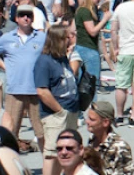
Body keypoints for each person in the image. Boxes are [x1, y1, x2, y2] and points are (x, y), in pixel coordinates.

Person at [0, 7, 43, 154]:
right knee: (10, 131)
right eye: (22, 15)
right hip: (15, 90)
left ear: (32, 18)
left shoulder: (41, 37)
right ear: (16, 18)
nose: (26, 18)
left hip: (36, 90)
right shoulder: (7, 37)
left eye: (28, 15)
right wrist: (5, 66)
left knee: (41, 132)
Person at [34, 27, 82, 175]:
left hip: (71, 111)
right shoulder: (44, 61)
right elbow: (42, 90)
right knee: (52, 153)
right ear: (57, 40)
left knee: (68, 153)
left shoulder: (62, 58)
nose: (69, 40)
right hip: (56, 115)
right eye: (66, 38)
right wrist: (60, 111)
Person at [85, 103, 134, 175]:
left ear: (105, 122)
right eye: (88, 118)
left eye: (92, 120)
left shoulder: (120, 147)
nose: (87, 122)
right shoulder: (92, 139)